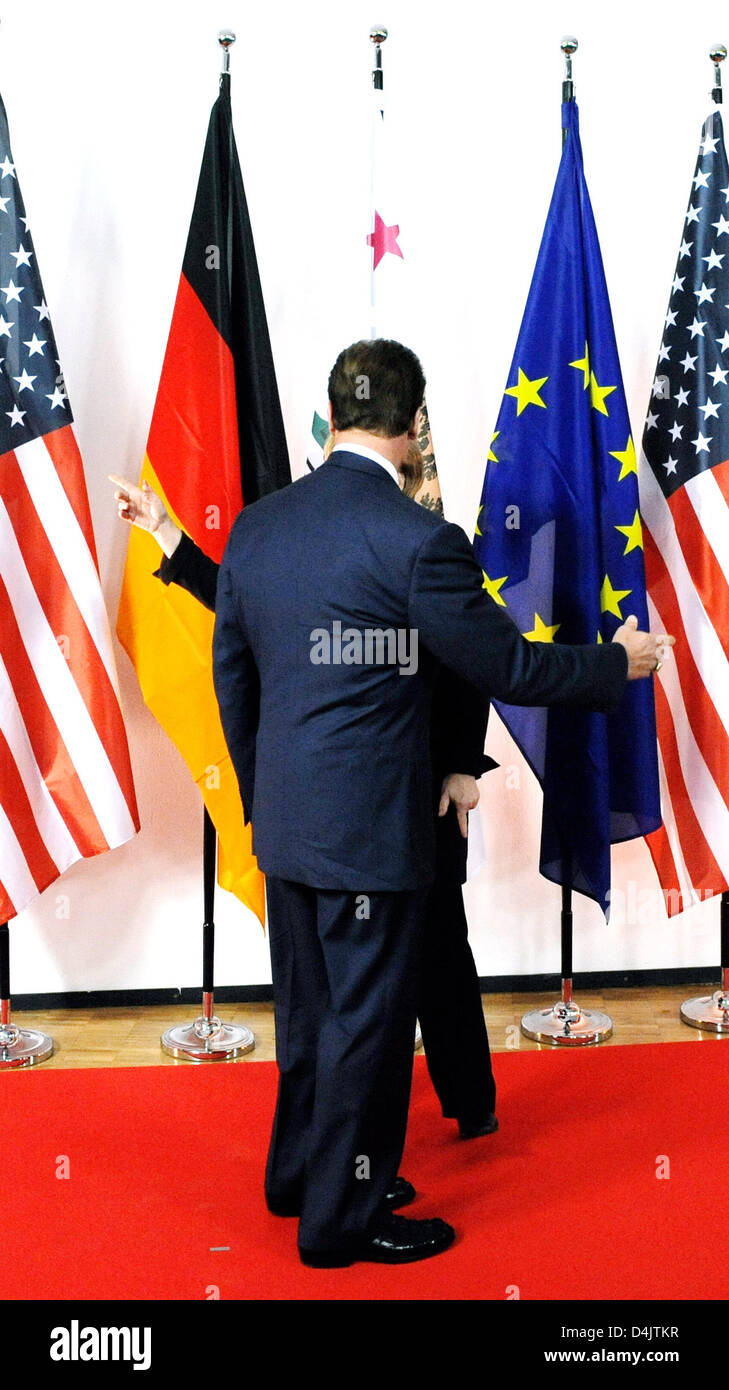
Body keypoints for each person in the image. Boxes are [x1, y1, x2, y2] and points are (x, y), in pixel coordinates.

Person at [116, 339, 672, 1268]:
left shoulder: (259, 527)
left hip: (288, 825)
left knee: (308, 1019)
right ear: (412, 427)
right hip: (373, 838)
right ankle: (339, 1221)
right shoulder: (420, 542)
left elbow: (240, 667)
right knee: (367, 1033)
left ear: (332, 416)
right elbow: (508, 665)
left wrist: (262, 798)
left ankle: (299, 1176)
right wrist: (619, 662)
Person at [111, 459, 499, 1140]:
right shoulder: (313, 555)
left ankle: (469, 1104)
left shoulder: (427, 548)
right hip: (349, 801)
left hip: (424, 788)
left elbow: (475, 663)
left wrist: (463, 767)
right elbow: (246, 601)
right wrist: (169, 536)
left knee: (438, 952)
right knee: (348, 990)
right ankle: (349, 1152)